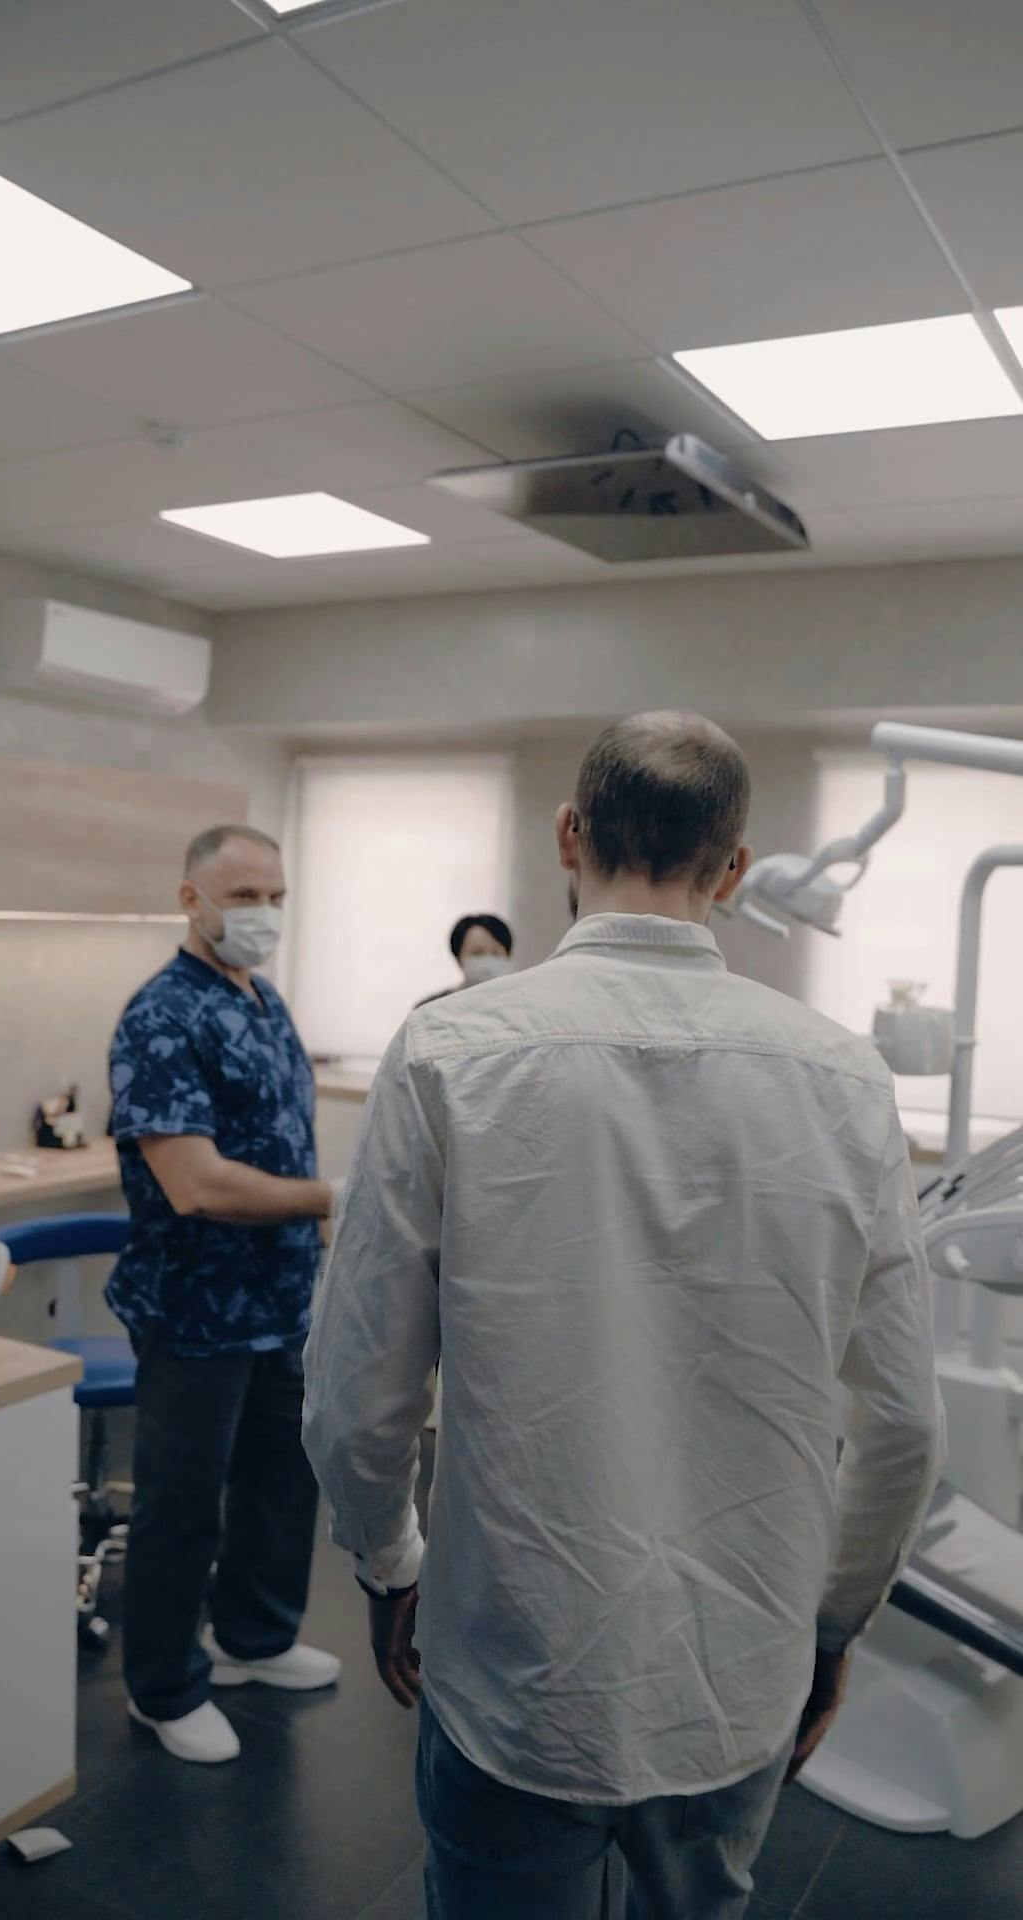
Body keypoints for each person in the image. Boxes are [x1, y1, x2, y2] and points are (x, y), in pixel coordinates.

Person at [302, 713, 945, 1919]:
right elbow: (904, 1426)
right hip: (739, 1663)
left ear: (568, 836)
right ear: (736, 867)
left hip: (516, 1666)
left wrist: (387, 1561)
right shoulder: (845, 1077)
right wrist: (831, 1626)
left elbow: (358, 1386)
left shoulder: (451, 1051)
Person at [107, 823, 341, 1767]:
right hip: (195, 1312)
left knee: (282, 1487)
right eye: (244, 897)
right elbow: (194, 1182)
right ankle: (162, 1688)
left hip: (280, 1299)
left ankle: (256, 1639)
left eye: (276, 896)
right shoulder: (162, 1016)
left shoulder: (264, 999)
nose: (264, 914)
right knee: (183, 1503)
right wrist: (336, 1199)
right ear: (191, 900)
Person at [416, 913, 514, 1007]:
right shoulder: (430, 1008)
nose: (487, 960)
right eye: (477, 953)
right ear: (459, 959)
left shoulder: (519, 1005)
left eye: (495, 953)